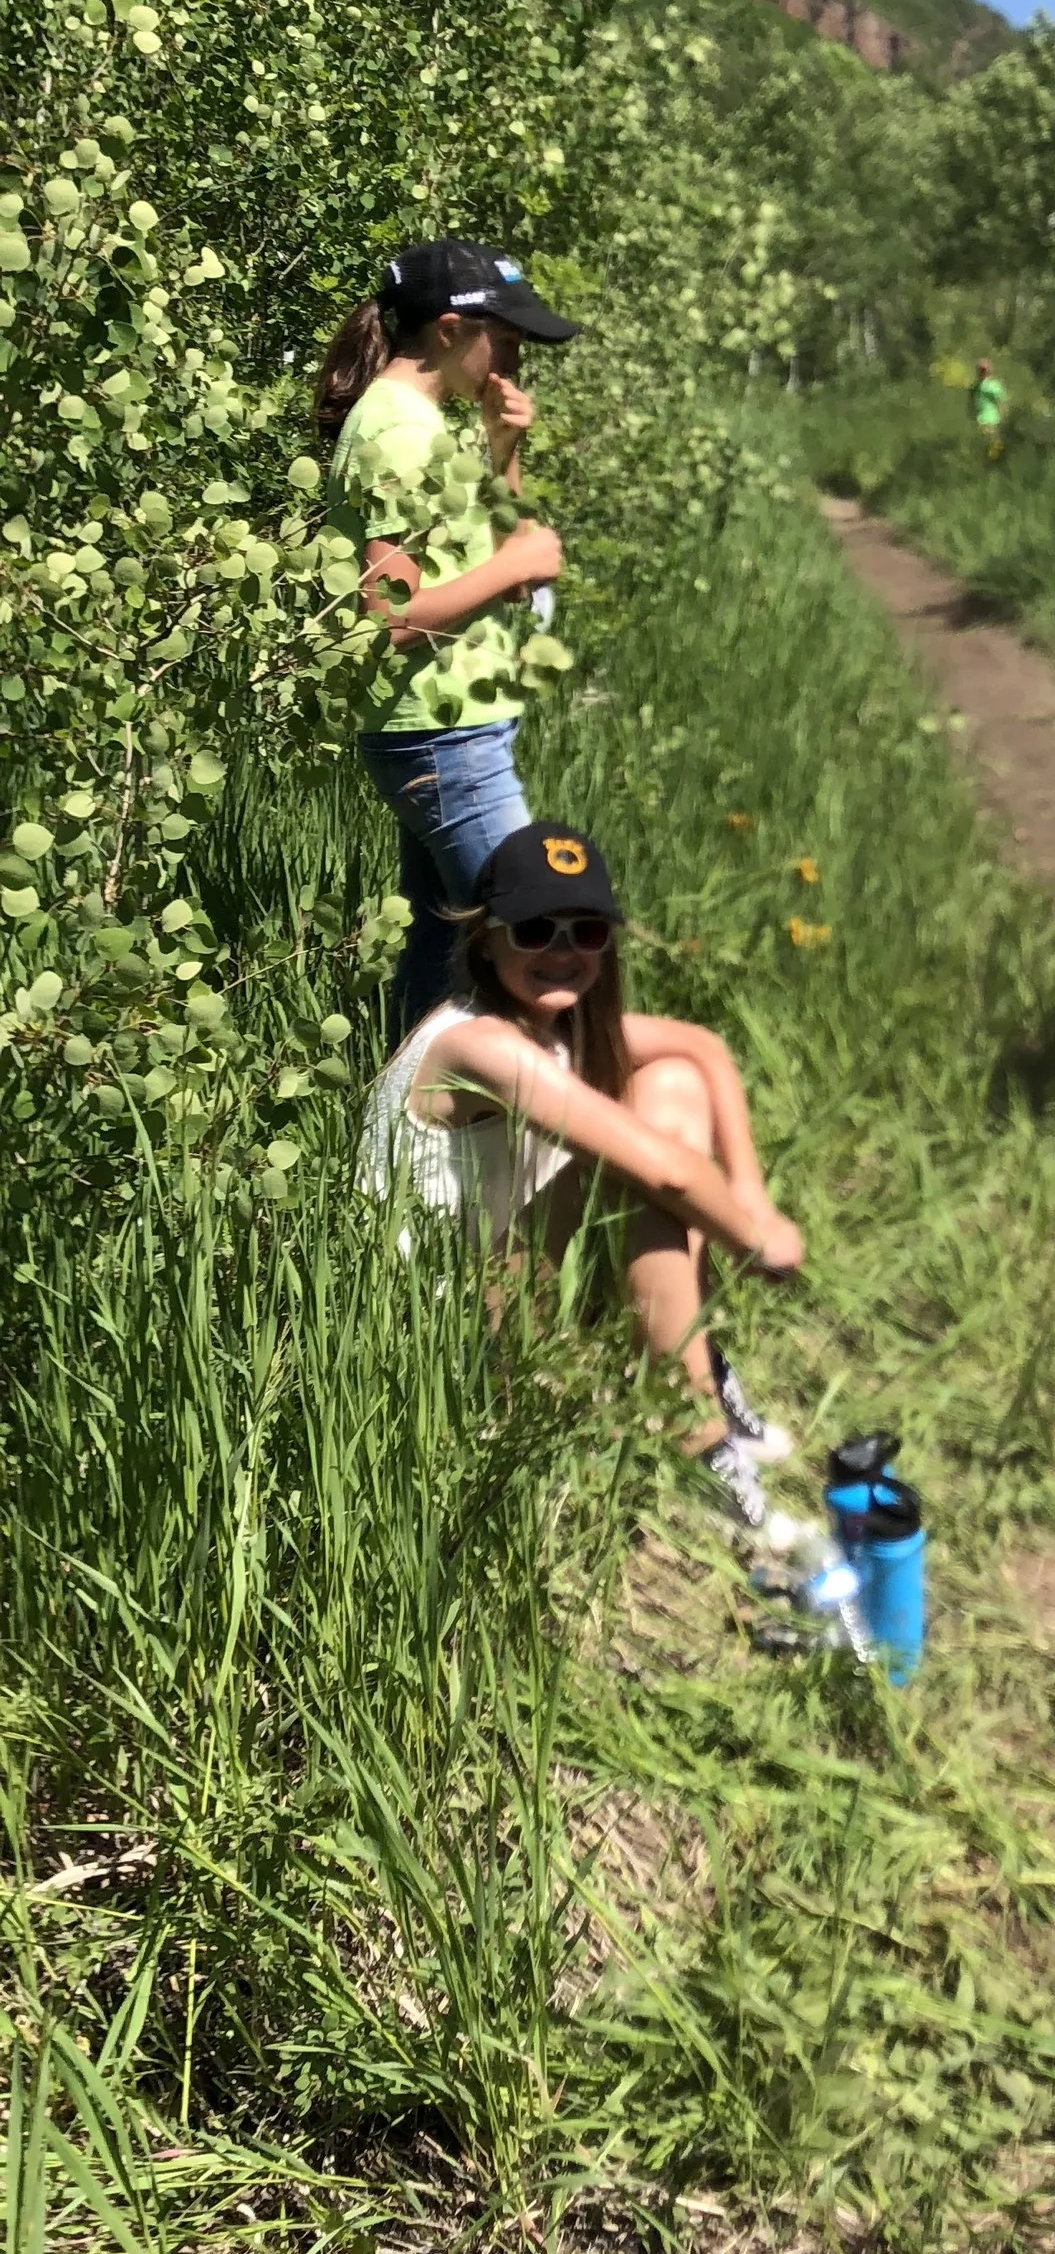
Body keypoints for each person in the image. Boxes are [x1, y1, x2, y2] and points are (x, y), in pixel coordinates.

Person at [361, 818, 809, 1545]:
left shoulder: (543, 1026)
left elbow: (705, 1046)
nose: (563, 951)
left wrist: (752, 1193)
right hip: (439, 1324)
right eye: (536, 929)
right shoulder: (479, 1045)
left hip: (504, 1270)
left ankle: (689, 1364)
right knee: (643, 1172)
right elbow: (668, 1169)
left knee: (672, 1085)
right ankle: (699, 1441)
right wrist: (754, 1239)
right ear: (486, 937)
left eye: (588, 931)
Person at [316, 240, 584, 1040]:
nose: (513, 358)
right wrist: (518, 568)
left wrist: (503, 452)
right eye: (503, 339)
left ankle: (403, 1141)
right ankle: (559, 1138)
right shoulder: (393, 432)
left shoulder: (423, 423)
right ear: (446, 330)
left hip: (450, 724)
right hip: (445, 737)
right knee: (545, 946)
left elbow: (487, 542)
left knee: (446, 949)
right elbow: (390, 616)